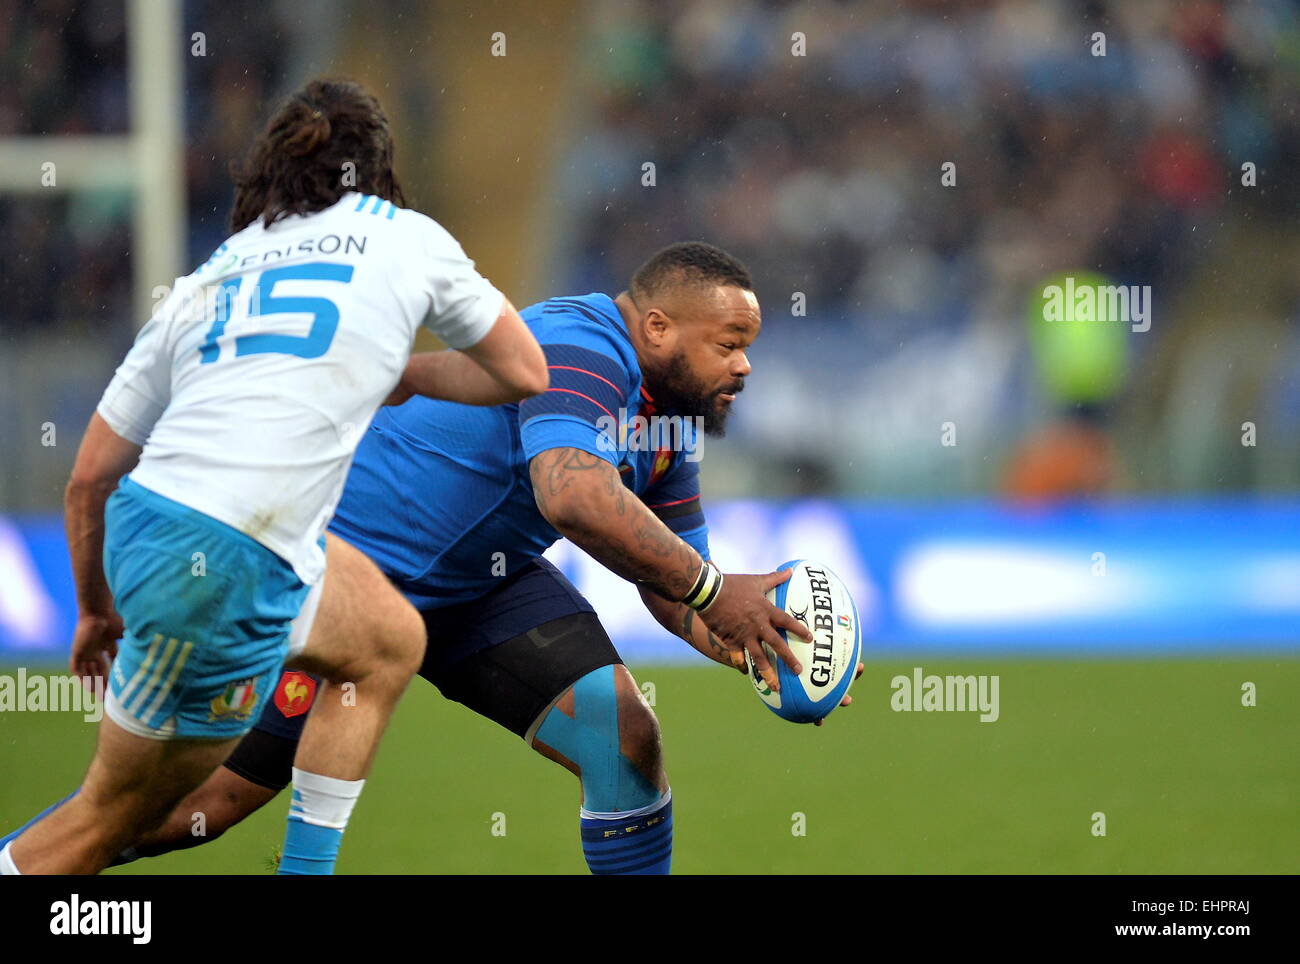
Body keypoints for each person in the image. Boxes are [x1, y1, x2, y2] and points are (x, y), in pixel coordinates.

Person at [101, 241, 858, 875]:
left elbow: (673, 586)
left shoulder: (669, 430)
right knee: (205, 808)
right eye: (729, 345)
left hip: (481, 585)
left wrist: (747, 643)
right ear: (657, 327)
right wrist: (715, 591)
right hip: (341, 569)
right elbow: (572, 494)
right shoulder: (580, 343)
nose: (744, 367)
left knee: (627, 739)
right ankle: (37, 862)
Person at [0, 77, 548, 876]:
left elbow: (88, 481)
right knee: (117, 819)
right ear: (377, 168)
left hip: (156, 534)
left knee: (389, 638)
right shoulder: (403, 236)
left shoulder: (215, 271)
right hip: (233, 563)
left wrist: (91, 612)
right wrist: (409, 373)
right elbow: (524, 370)